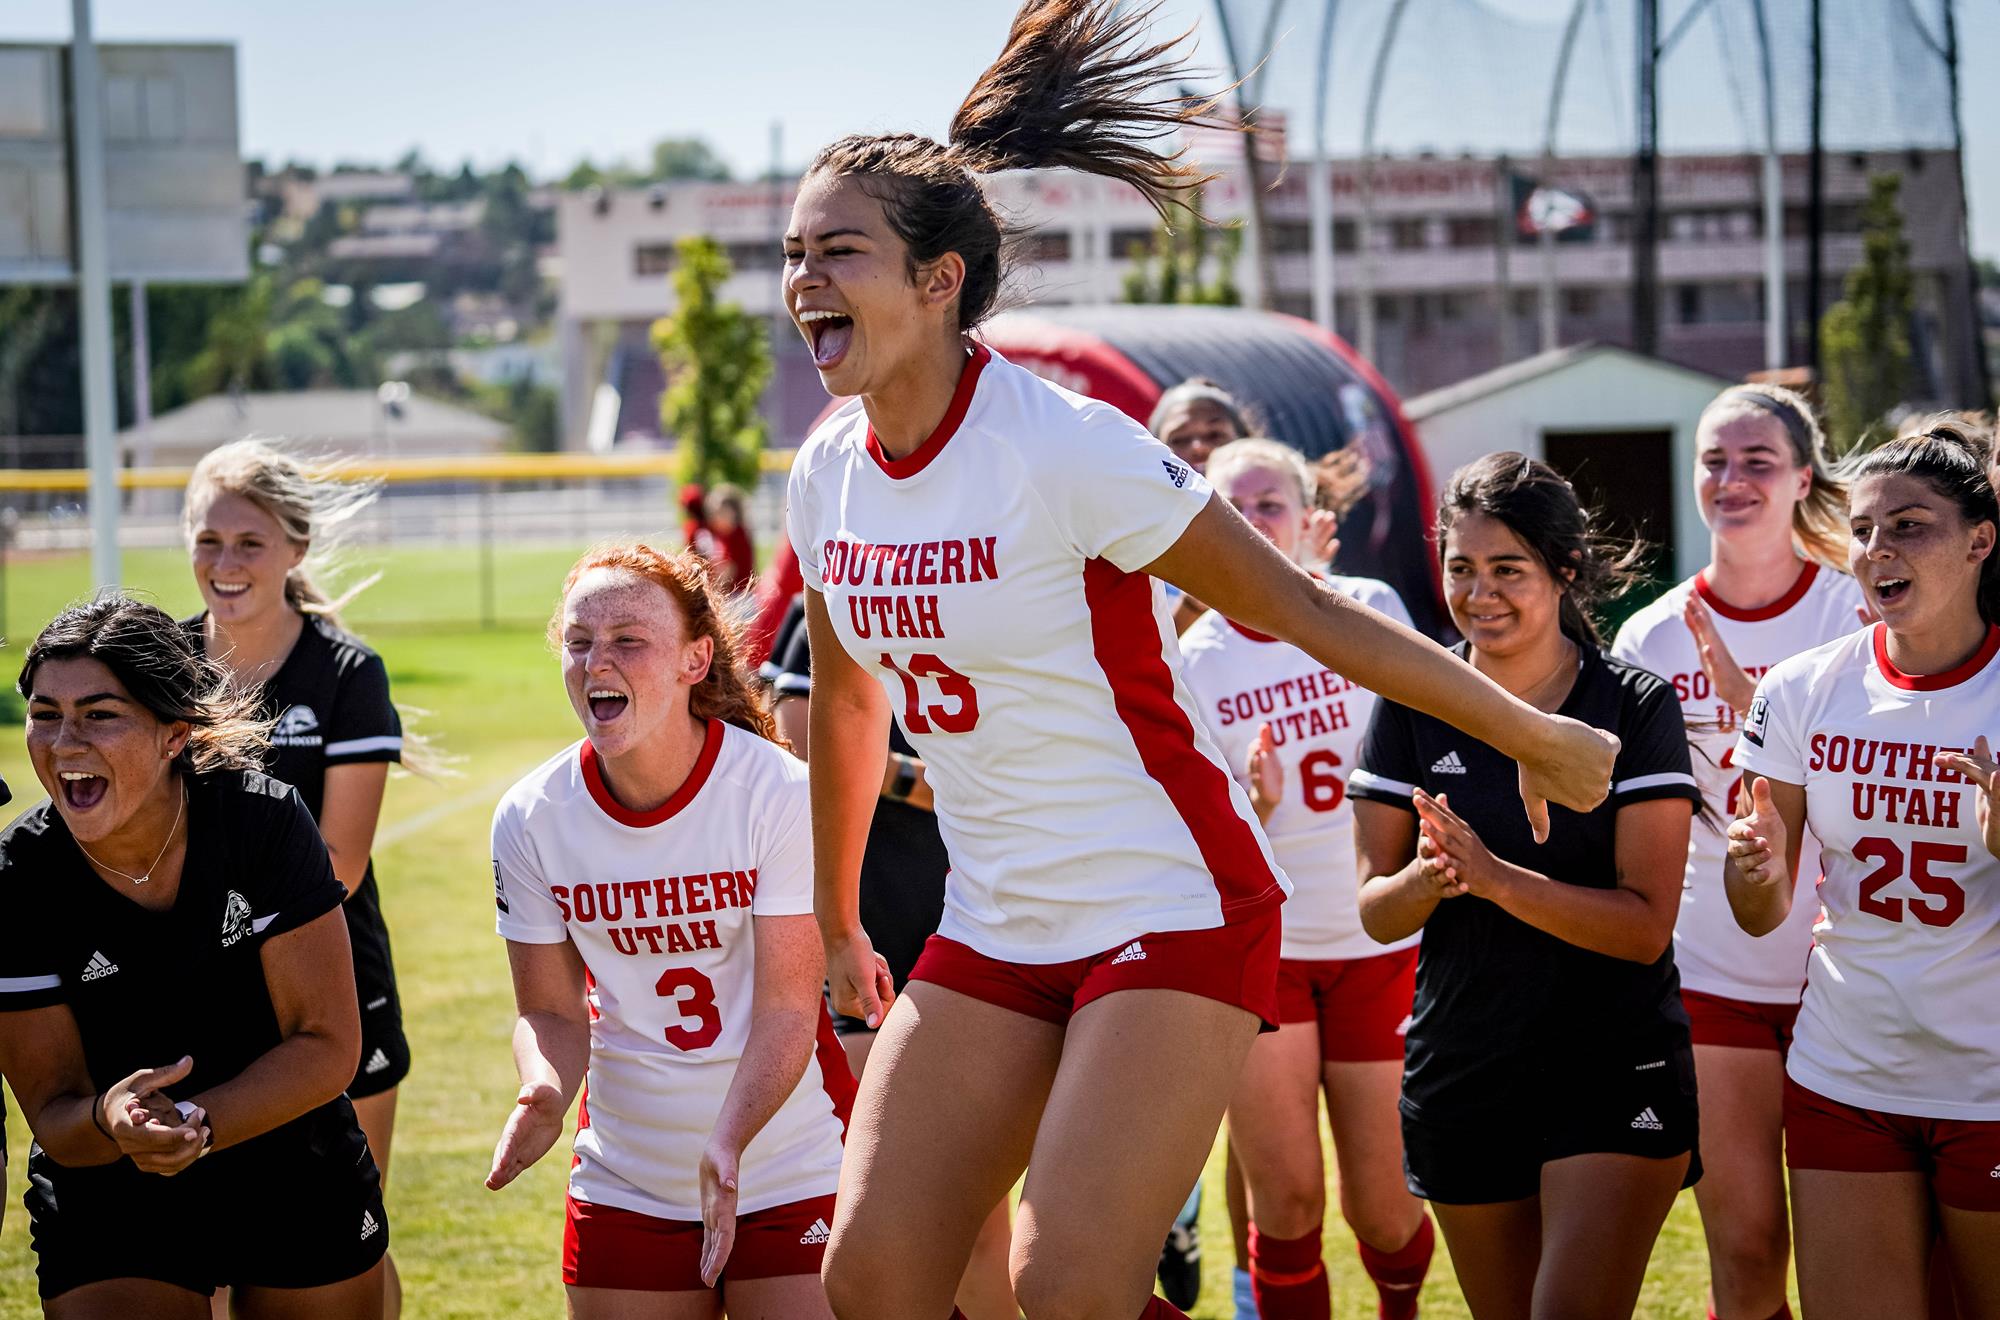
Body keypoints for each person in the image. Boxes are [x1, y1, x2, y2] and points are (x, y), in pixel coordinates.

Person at [781, 6, 1617, 1316]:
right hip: (995, 918)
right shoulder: (826, 472)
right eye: (793, 255)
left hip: (1170, 906)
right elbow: (843, 701)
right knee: (876, 1278)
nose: (803, 282)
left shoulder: (1064, 446)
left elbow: (1304, 608)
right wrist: (837, 922)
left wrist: (1539, 733)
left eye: (839, 251)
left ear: (939, 279)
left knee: (1069, 1287)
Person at [1352, 453, 1702, 1320]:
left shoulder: (1632, 705)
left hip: (1614, 1063)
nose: (1481, 593)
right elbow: (1374, 912)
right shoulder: (1408, 698)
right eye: (1461, 568)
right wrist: (1433, 877)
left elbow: (1645, 928)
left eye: (1509, 569)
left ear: (1565, 571)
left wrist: (1499, 879)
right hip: (1464, 1067)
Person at [484, 543, 854, 1319]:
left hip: (788, 1162)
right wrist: (544, 1090)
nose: (596, 662)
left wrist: (727, 1145)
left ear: (696, 660)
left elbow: (790, 1010)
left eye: (627, 640)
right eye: (580, 642)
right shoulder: (531, 816)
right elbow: (550, 1013)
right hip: (629, 1177)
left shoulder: (775, 792)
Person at [0, 596, 387, 1318]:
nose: (63, 742)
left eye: (99, 714)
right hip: (112, 1183)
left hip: (287, 1154)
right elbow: (53, 1112)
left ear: (174, 735)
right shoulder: (18, 876)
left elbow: (328, 1044)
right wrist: (111, 1122)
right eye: (45, 713)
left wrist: (194, 1124)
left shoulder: (263, 820)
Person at [1727, 421, 2000, 1319]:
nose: (1878, 548)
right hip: (1846, 1073)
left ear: (1979, 541)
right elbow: (1761, 911)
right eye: (1865, 528)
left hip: (1987, 1081)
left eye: (1910, 525)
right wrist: (1754, 865)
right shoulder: (1802, 688)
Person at [1609, 384, 1860, 1320]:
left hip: (1845, 974)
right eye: (1716, 458)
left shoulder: (1854, 612)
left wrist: (1760, 706)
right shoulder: (1653, 631)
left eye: (1759, 460)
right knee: (1748, 1246)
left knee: (1859, 1266)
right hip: (1710, 971)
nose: (1732, 478)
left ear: (1803, 478)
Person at [1179, 439, 1434, 1320]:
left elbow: (1425, 742)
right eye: (1233, 509)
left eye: (1270, 506)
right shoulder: (1191, 659)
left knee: (1388, 1206)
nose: (1253, 524)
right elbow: (1179, 831)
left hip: (1380, 942)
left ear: (1307, 519)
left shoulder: (1365, 606)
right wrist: (1244, 807)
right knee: (1285, 1202)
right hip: (1268, 957)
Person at [181, 439, 416, 1318]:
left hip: (333, 987)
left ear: (295, 549)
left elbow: (340, 863)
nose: (227, 563)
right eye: (209, 541)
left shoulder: (346, 675)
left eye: (250, 542)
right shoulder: (154, 668)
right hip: (193, 993)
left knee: (347, 1240)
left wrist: (202, 925)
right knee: (202, 1250)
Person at [765, 593, 1017, 1320]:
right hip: (861, 942)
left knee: (975, 1220)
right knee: (865, 1219)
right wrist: (926, 782)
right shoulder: (837, 590)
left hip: (966, 934)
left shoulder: (982, 580)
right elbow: (803, 747)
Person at [703, 484, 759, 593]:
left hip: (738, 594)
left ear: (732, 513)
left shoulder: (735, 535)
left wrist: (716, 592)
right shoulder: (728, 534)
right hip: (737, 592)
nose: (714, 519)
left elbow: (729, 570)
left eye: (719, 513)